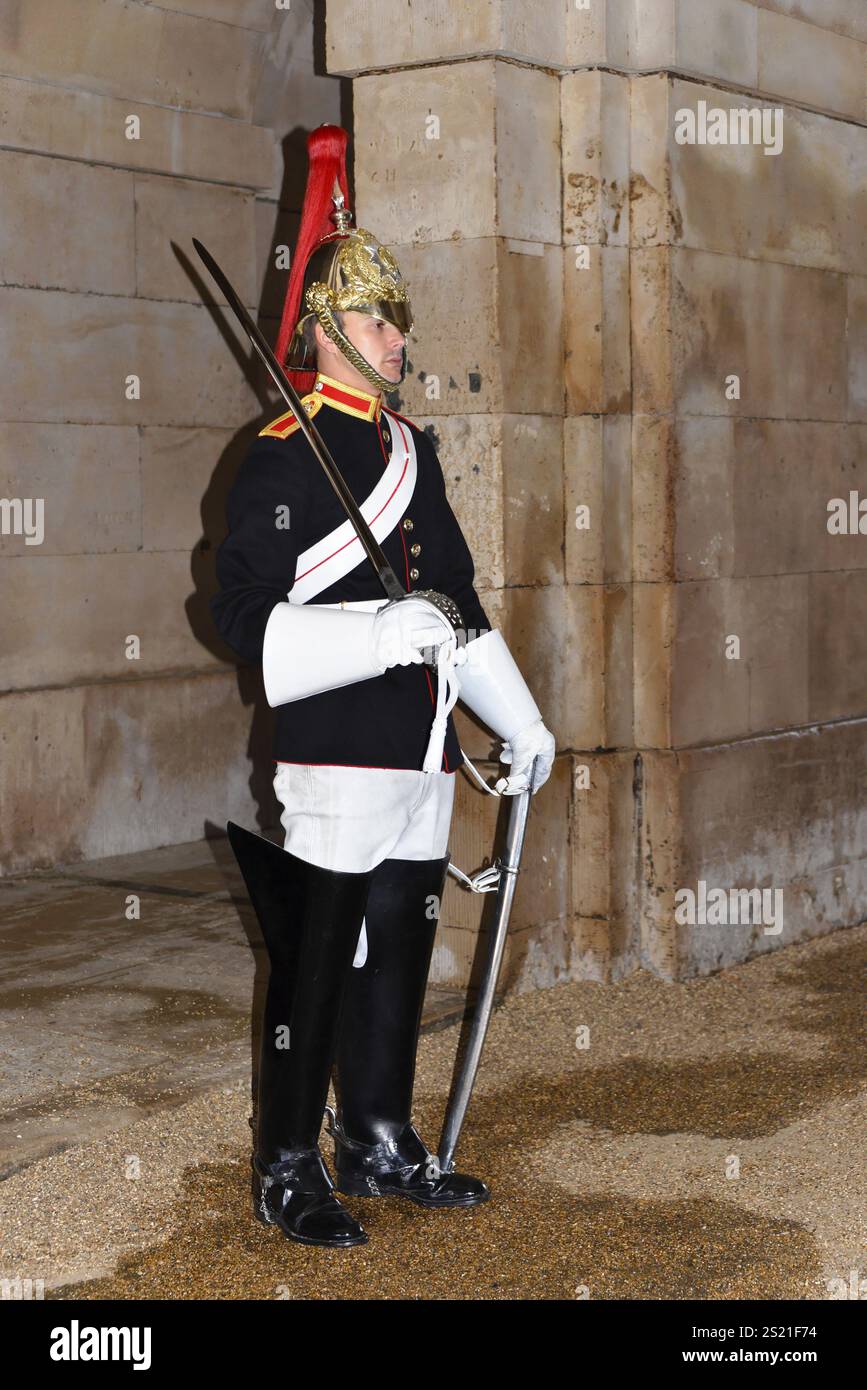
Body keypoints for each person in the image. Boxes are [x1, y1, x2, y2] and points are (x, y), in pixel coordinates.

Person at [210, 125, 555, 1248]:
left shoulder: (415, 450)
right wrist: (372, 629)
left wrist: (519, 715)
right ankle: (286, 1162)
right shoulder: (279, 450)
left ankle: (376, 1133)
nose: (396, 338)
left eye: (399, 319)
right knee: (317, 953)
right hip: (332, 745)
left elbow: (452, 592)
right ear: (320, 329)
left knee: (402, 939)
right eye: (373, 318)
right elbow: (244, 623)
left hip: (417, 746)